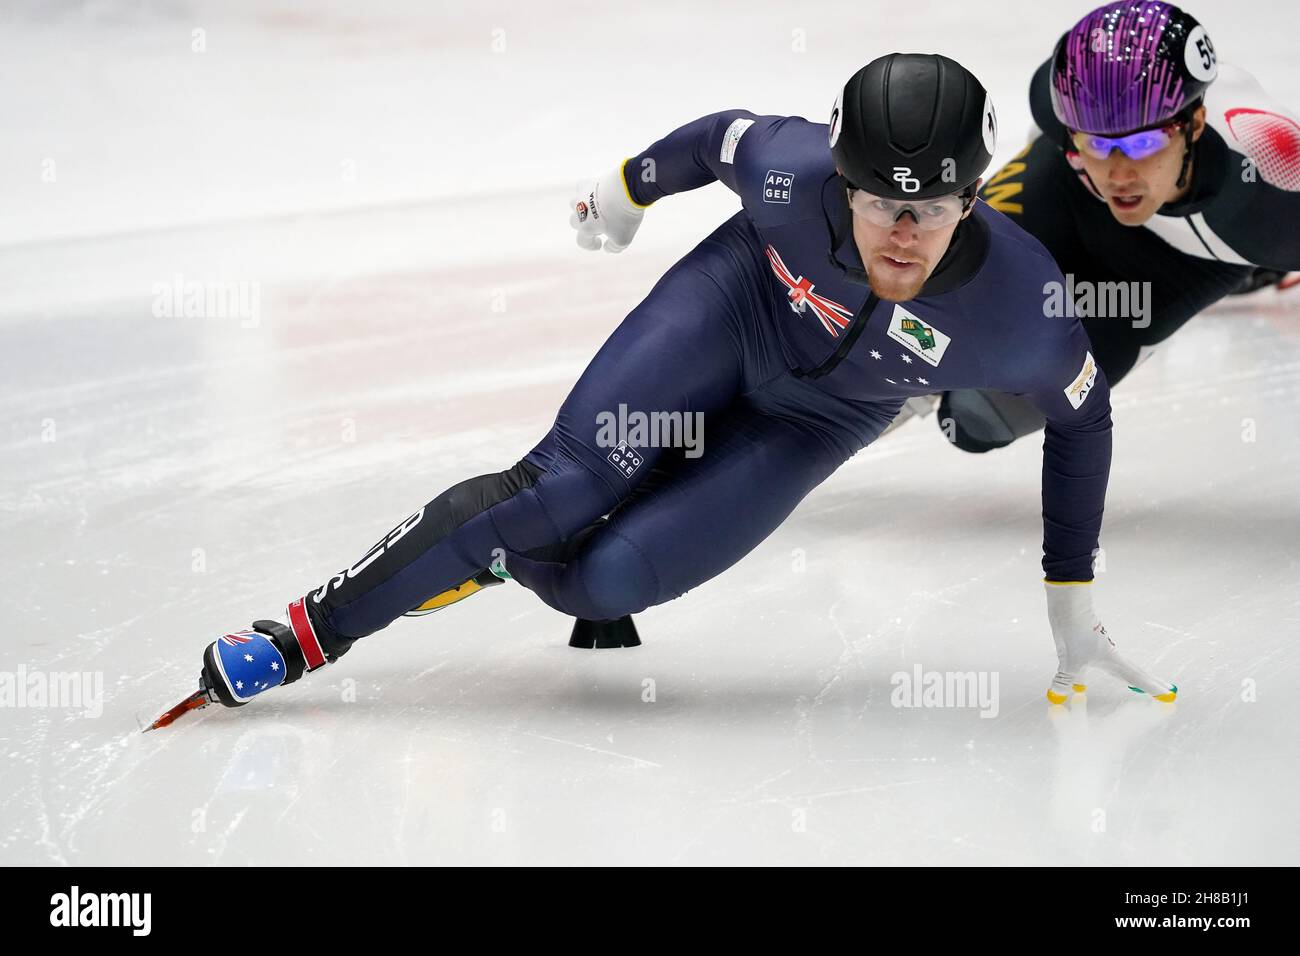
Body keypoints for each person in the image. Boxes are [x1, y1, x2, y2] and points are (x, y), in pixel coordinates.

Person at [152, 52, 1177, 731]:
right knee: (555, 489)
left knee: (603, 579)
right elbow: (714, 139)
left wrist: (1070, 601)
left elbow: (1085, 428)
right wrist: (622, 191)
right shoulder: (787, 172)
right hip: (734, 306)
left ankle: (501, 563)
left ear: (972, 195)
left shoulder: (1022, 307)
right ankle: (305, 629)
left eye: (933, 209)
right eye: (874, 201)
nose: (898, 234)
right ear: (839, 175)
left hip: (824, 415)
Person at [939, 0, 1300, 452]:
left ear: (1196, 124)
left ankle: (1253, 269)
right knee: (942, 282)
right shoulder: (1056, 104)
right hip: (1068, 197)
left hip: (1178, 269)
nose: (1119, 173)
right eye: (1097, 143)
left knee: (980, 417)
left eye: (1144, 143)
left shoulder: (1277, 191)